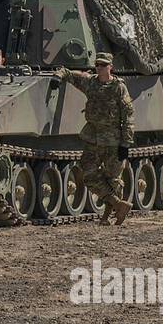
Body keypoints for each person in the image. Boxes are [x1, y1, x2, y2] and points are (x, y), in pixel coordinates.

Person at [54, 53, 134, 225]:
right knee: (88, 174)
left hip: (113, 140)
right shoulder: (90, 82)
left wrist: (126, 143)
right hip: (93, 138)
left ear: (110, 67)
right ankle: (118, 204)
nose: (99, 68)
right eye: (97, 64)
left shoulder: (119, 87)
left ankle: (107, 217)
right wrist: (58, 76)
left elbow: (128, 115)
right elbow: (68, 73)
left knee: (113, 180)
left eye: (103, 65)